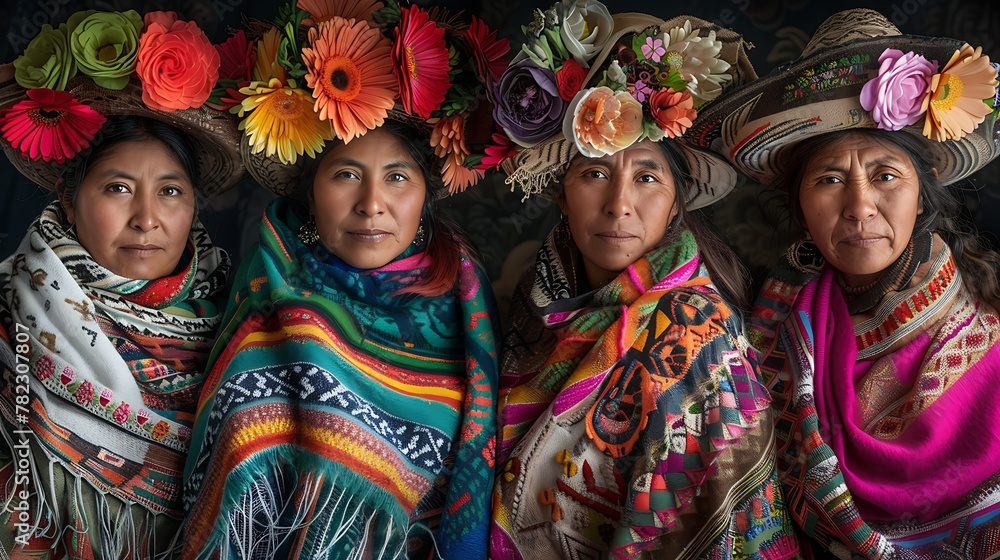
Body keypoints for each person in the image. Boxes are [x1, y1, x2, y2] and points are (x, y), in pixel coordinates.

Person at [179, 3, 506, 559]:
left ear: (425, 199)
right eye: (347, 174)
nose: (371, 204)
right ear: (310, 193)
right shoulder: (264, 291)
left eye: (397, 178)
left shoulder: (464, 305)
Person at [489, 4, 801, 558]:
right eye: (594, 172)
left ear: (677, 201)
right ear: (562, 194)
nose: (619, 205)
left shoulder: (701, 340)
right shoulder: (532, 316)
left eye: (647, 176)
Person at [690, 8, 1000, 557]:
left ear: (923, 195)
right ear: (800, 207)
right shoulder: (763, 335)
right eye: (830, 180)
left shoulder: (992, 332)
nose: (860, 207)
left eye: (886, 176)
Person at [0, 8, 244, 559]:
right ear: (69, 197)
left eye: (171, 192)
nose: (147, 218)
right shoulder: (11, 316)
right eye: (117, 188)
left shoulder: (243, 329)